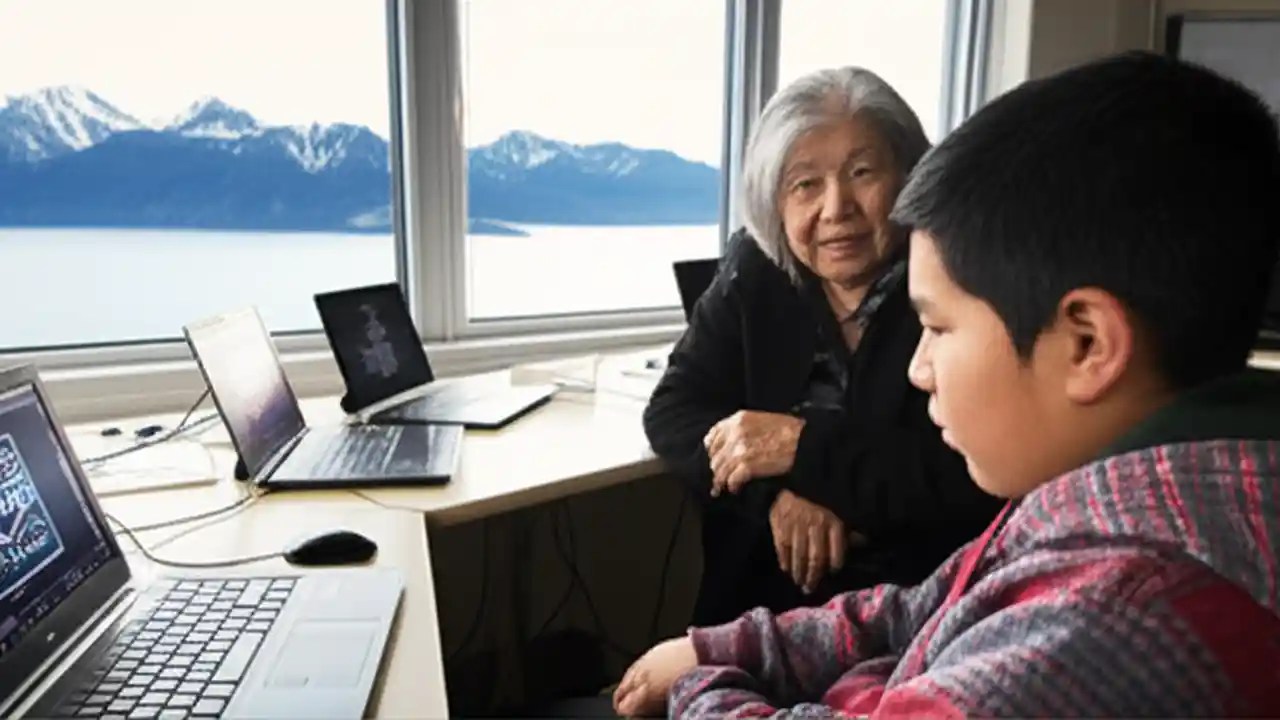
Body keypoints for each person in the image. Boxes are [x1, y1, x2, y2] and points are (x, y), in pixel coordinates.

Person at [616, 51, 1280, 718]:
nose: (919, 367)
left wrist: (701, 685)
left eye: (938, 326)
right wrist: (729, 644)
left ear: (1087, 343)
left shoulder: (1104, 624)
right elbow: (931, 605)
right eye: (805, 184)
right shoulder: (1108, 506)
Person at [643, 66, 1001, 629]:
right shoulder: (757, 270)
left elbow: (969, 475)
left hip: (916, 611)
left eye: (862, 172)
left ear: (909, 177)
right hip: (754, 608)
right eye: (805, 184)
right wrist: (776, 498)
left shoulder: (955, 281)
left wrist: (803, 450)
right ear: (775, 201)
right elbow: (674, 410)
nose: (837, 208)